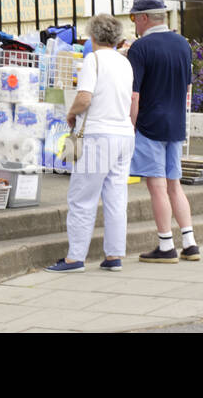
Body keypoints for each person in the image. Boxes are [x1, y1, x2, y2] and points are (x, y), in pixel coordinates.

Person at [45, 14, 137, 273]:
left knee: (82, 197)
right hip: (124, 134)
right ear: (117, 38)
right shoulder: (125, 63)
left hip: (99, 135)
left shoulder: (92, 60)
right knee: (116, 197)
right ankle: (114, 254)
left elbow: (84, 98)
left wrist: (71, 112)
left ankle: (75, 257)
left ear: (93, 37)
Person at [127, 0, 200, 263]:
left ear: (144, 18)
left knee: (156, 186)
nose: (134, 23)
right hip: (176, 123)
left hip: (150, 124)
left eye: (134, 18)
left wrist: (130, 126)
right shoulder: (183, 44)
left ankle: (166, 244)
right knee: (174, 185)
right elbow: (188, 86)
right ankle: (190, 243)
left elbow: (134, 96)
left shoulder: (140, 49)